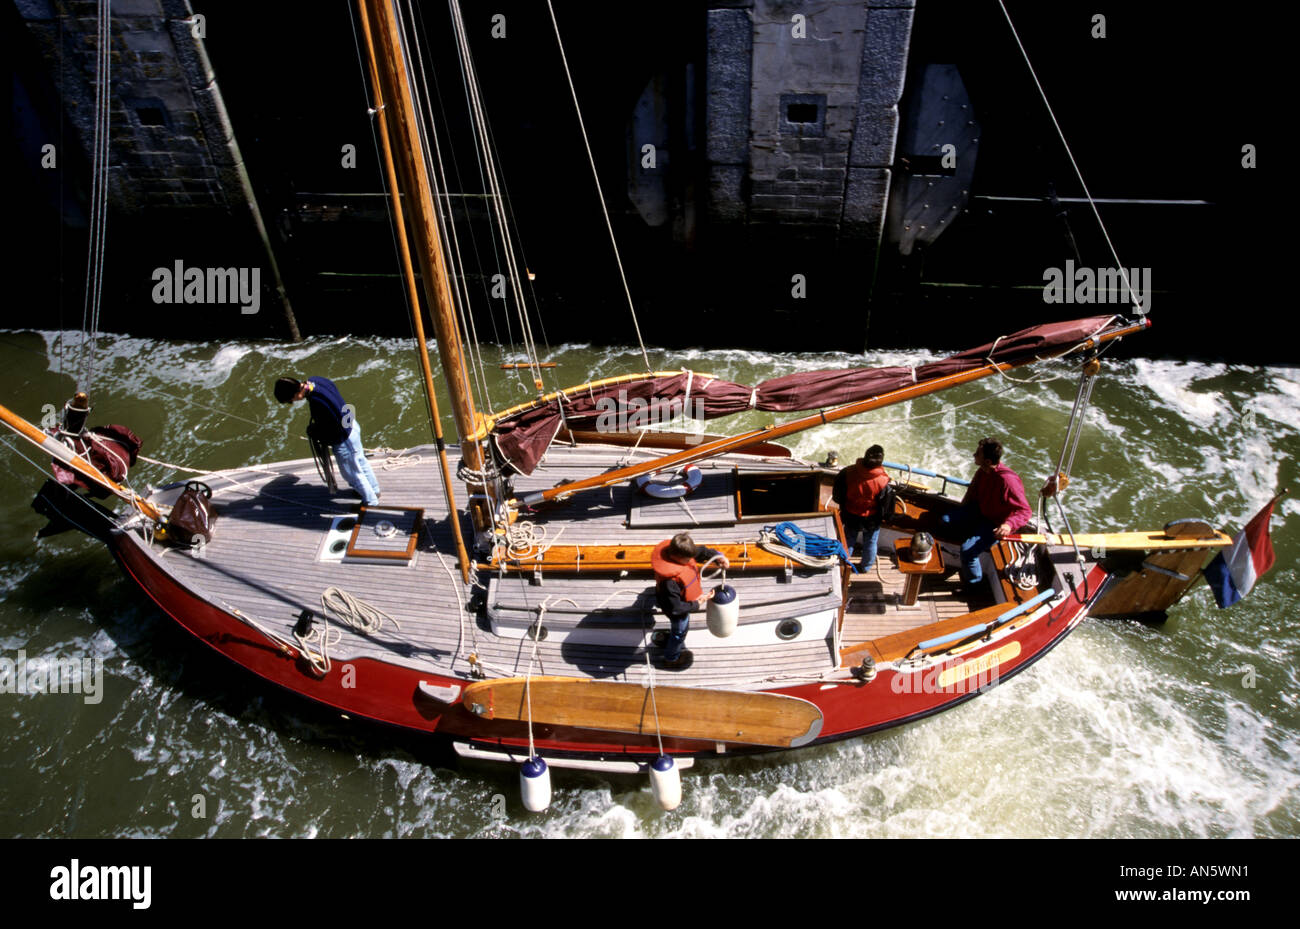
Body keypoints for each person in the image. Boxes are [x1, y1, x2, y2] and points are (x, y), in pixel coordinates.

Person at [274, 376, 381, 506]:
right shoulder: (316, 380)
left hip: (344, 438)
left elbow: (331, 430)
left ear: (296, 393)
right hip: (351, 424)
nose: (293, 402)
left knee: (352, 474)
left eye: (291, 399)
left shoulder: (317, 402)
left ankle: (370, 502)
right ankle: (374, 490)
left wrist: (314, 432)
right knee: (360, 460)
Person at [941, 437, 1032, 586]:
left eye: (977, 454)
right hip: (980, 511)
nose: (973, 455)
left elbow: (1025, 510)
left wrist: (1008, 525)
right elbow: (972, 492)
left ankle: (974, 584)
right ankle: (972, 540)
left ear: (988, 461)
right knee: (945, 520)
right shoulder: (983, 471)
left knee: (968, 551)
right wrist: (962, 509)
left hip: (994, 523)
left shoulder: (1008, 482)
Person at [650, 532, 729, 670]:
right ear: (675, 557)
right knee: (679, 631)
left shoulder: (682, 552)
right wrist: (697, 604)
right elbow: (676, 608)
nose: (690, 561)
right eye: (687, 560)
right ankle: (671, 658)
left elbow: (702, 551)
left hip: (677, 598)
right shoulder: (669, 583)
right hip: (675, 608)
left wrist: (719, 557)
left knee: (679, 627)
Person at [832, 444, 890, 571]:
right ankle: (866, 567)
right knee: (870, 542)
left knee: (848, 540)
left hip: (850, 514)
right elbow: (885, 505)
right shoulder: (883, 481)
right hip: (872, 519)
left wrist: (845, 506)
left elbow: (837, 495)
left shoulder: (847, 472)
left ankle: (843, 565)